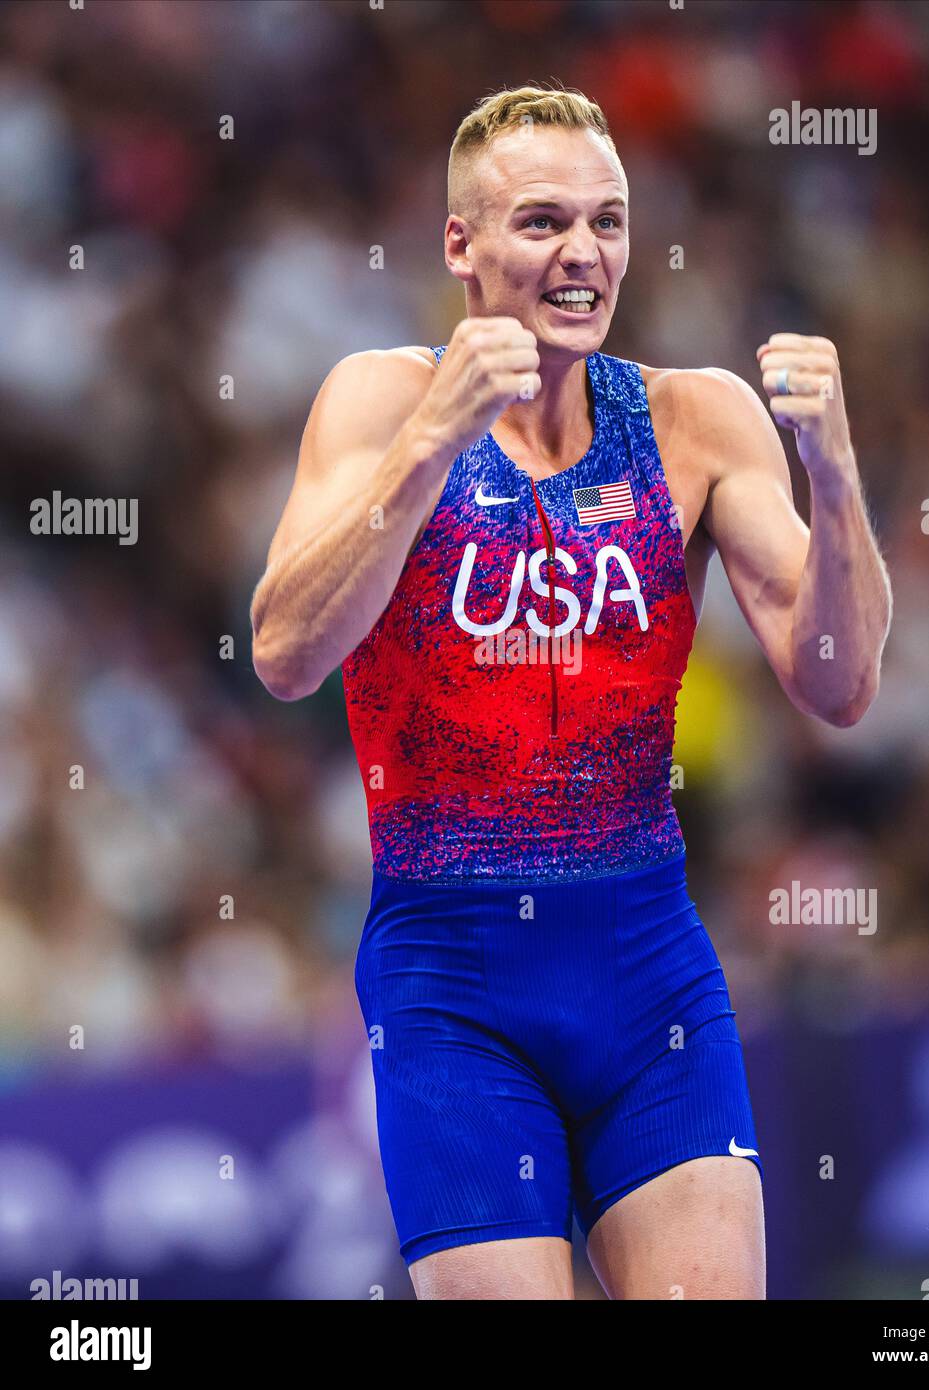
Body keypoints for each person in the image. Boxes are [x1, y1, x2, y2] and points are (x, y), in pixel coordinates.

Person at [250, 85, 892, 1300]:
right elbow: (284, 649)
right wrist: (432, 441)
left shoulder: (695, 419)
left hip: (647, 963)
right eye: (542, 221)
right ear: (461, 246)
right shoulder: (380, 399)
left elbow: (840, 684)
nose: (583, 254)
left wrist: (838, 476)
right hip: (450, 976)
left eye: (608, 221)